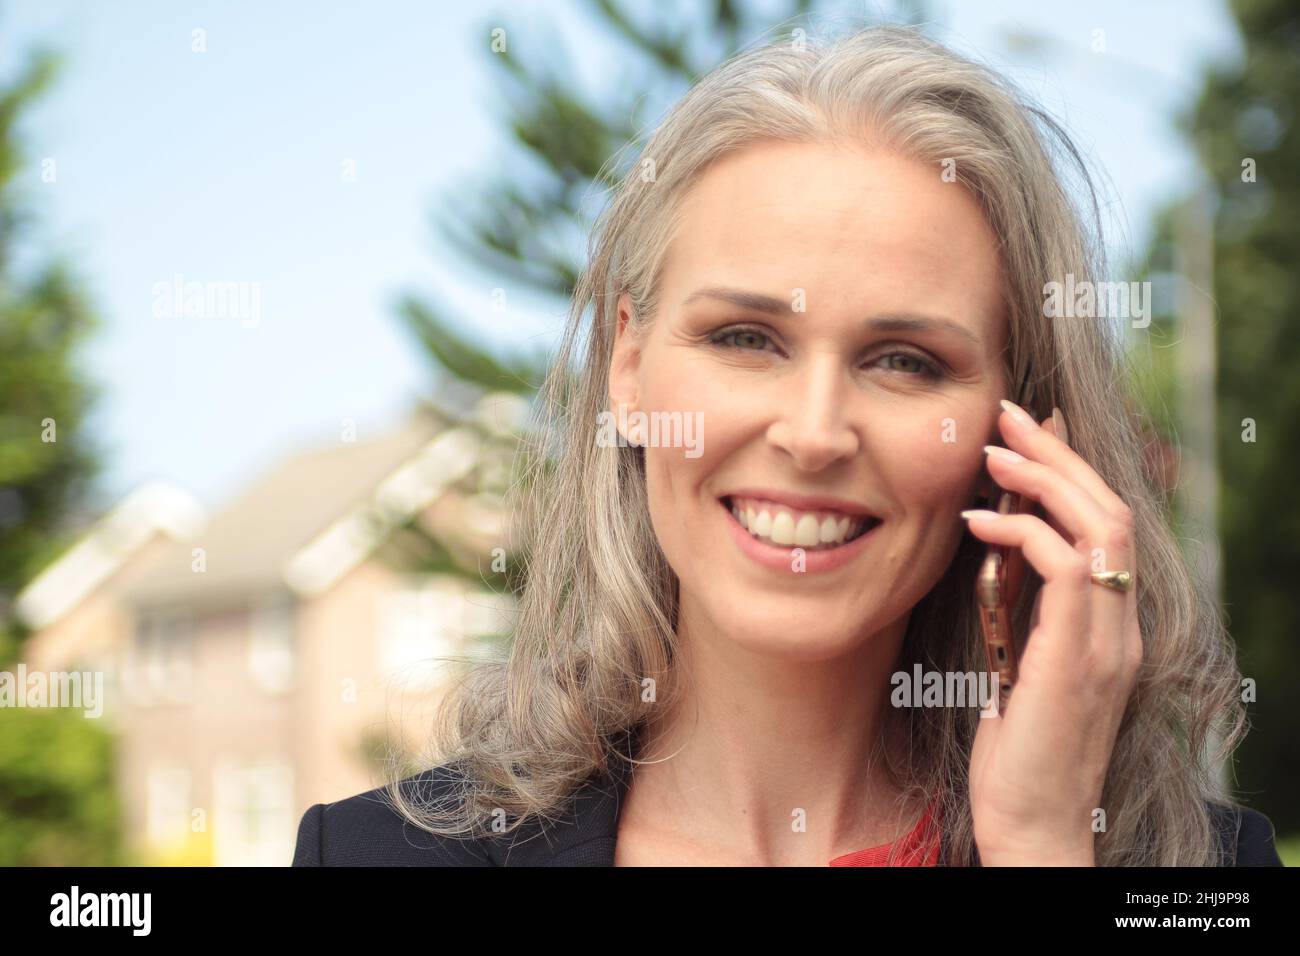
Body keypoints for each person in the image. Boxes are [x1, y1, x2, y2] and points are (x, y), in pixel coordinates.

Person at [293, 24, 1283, 867]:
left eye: (903, 360)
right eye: (744, 339)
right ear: (628, 366)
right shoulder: (377, 857)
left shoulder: (1198, 870)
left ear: (1019, 427)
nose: (812, 435)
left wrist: (1039, 842)